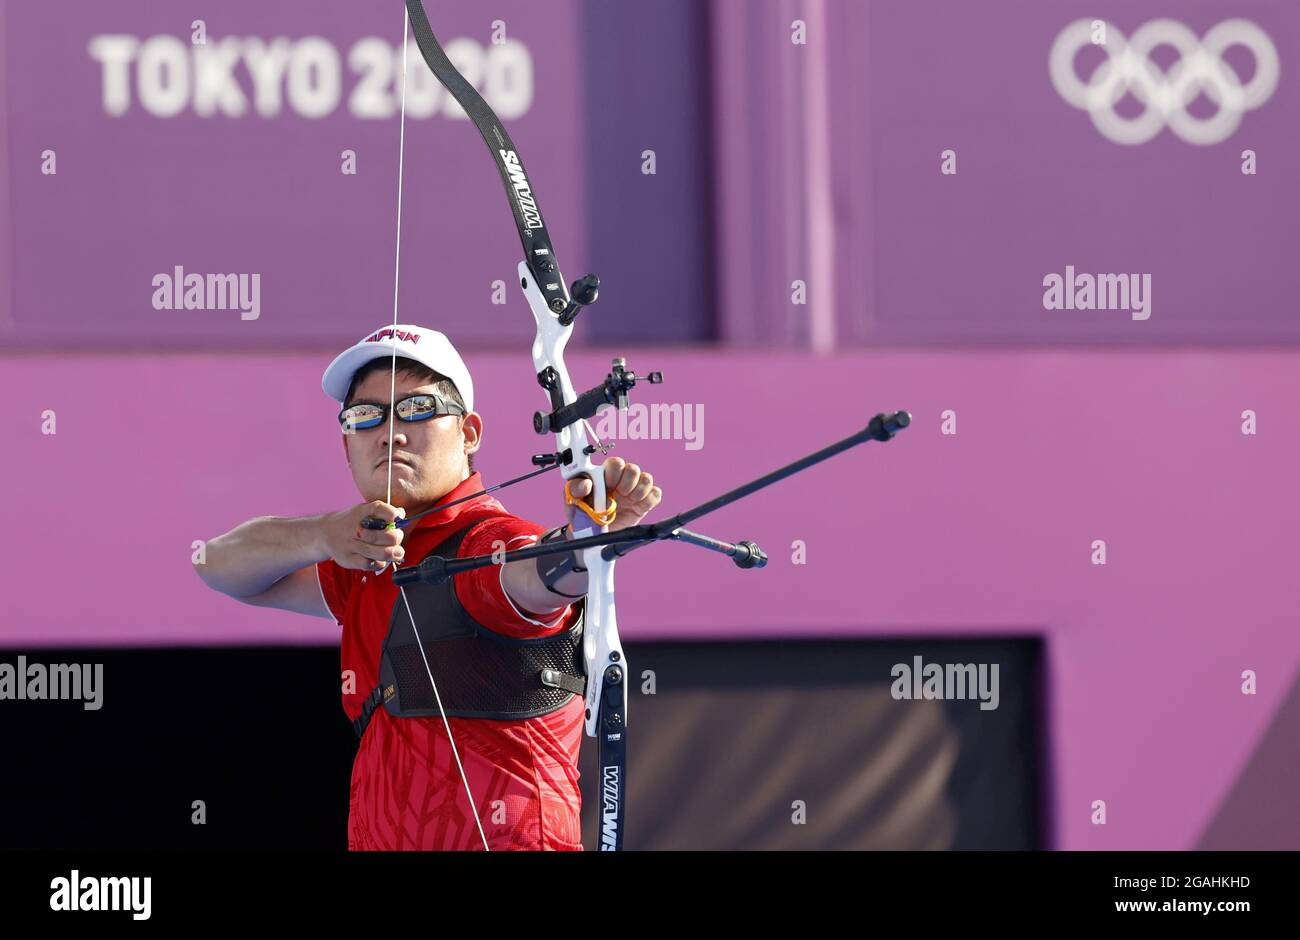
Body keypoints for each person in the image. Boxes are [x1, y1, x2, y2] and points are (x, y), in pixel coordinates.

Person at [193, 324, 661, 850]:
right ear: (346, 445)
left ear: (469, 433)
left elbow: (539, 577)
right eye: (366, 416)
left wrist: (587, 542)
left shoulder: (490, 542)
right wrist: (321, 533)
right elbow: (215, 563)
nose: (391, 432)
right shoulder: (365, 563)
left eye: (417, 408)